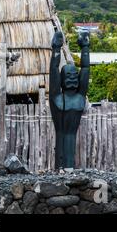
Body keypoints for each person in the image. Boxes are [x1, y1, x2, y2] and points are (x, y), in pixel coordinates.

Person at [49, 31, 90, 169]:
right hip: (61, 132)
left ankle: (68, 167)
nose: (72, 78)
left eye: (74, 75)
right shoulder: (57, 98)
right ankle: (61, 168)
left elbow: (85, 69)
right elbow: (54, 70)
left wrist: (85, 48)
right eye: (68, 75)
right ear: (61, 80)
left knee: (70, 140)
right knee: (63, 139)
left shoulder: (80, 96)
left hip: (72, 133)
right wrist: (56, 49)